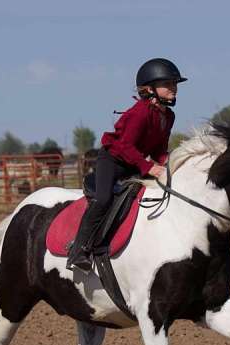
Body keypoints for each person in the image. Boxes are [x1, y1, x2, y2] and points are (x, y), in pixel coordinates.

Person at [66, 58, 187, 273]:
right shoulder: (140, 112)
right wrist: (149, 167)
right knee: (103, 199)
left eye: (175, 84)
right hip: (113, 160)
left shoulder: (168, 116)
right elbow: (124, 146)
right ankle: (78, 250)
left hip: (135, 163)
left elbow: (159, 149)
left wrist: (168, 164)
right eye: (168, 84)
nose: (174, 88)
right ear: (149, 89)